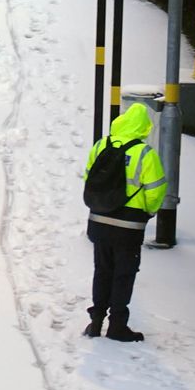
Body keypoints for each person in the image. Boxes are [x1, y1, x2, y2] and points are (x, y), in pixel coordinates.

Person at [80, 101, 167, 342]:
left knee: (102, 271)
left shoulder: (101, 146)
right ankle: (117, 325)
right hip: (128, 226)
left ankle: (95, 322)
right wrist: (147, 212)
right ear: (143, 127)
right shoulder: (145, 153)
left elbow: (89, 177)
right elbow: (156, 190)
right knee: (123, 275)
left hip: (99, 220)